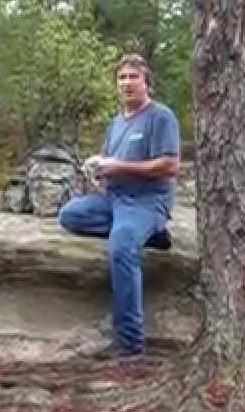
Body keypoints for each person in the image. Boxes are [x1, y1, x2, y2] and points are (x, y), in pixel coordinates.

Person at [57, 54, 181, 359]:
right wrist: (98, 168)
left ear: (146, 83)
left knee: (122, 243)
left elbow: (169, 165)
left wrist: (118, 166)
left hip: (146, 202)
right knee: (69, 215)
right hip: (113, 200)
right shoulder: (115, 123)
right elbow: (110, 163)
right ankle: (153, 236)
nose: (126, 83)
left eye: (133, 77)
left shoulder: (160, 117)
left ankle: (130, 345)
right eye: (122, 78)